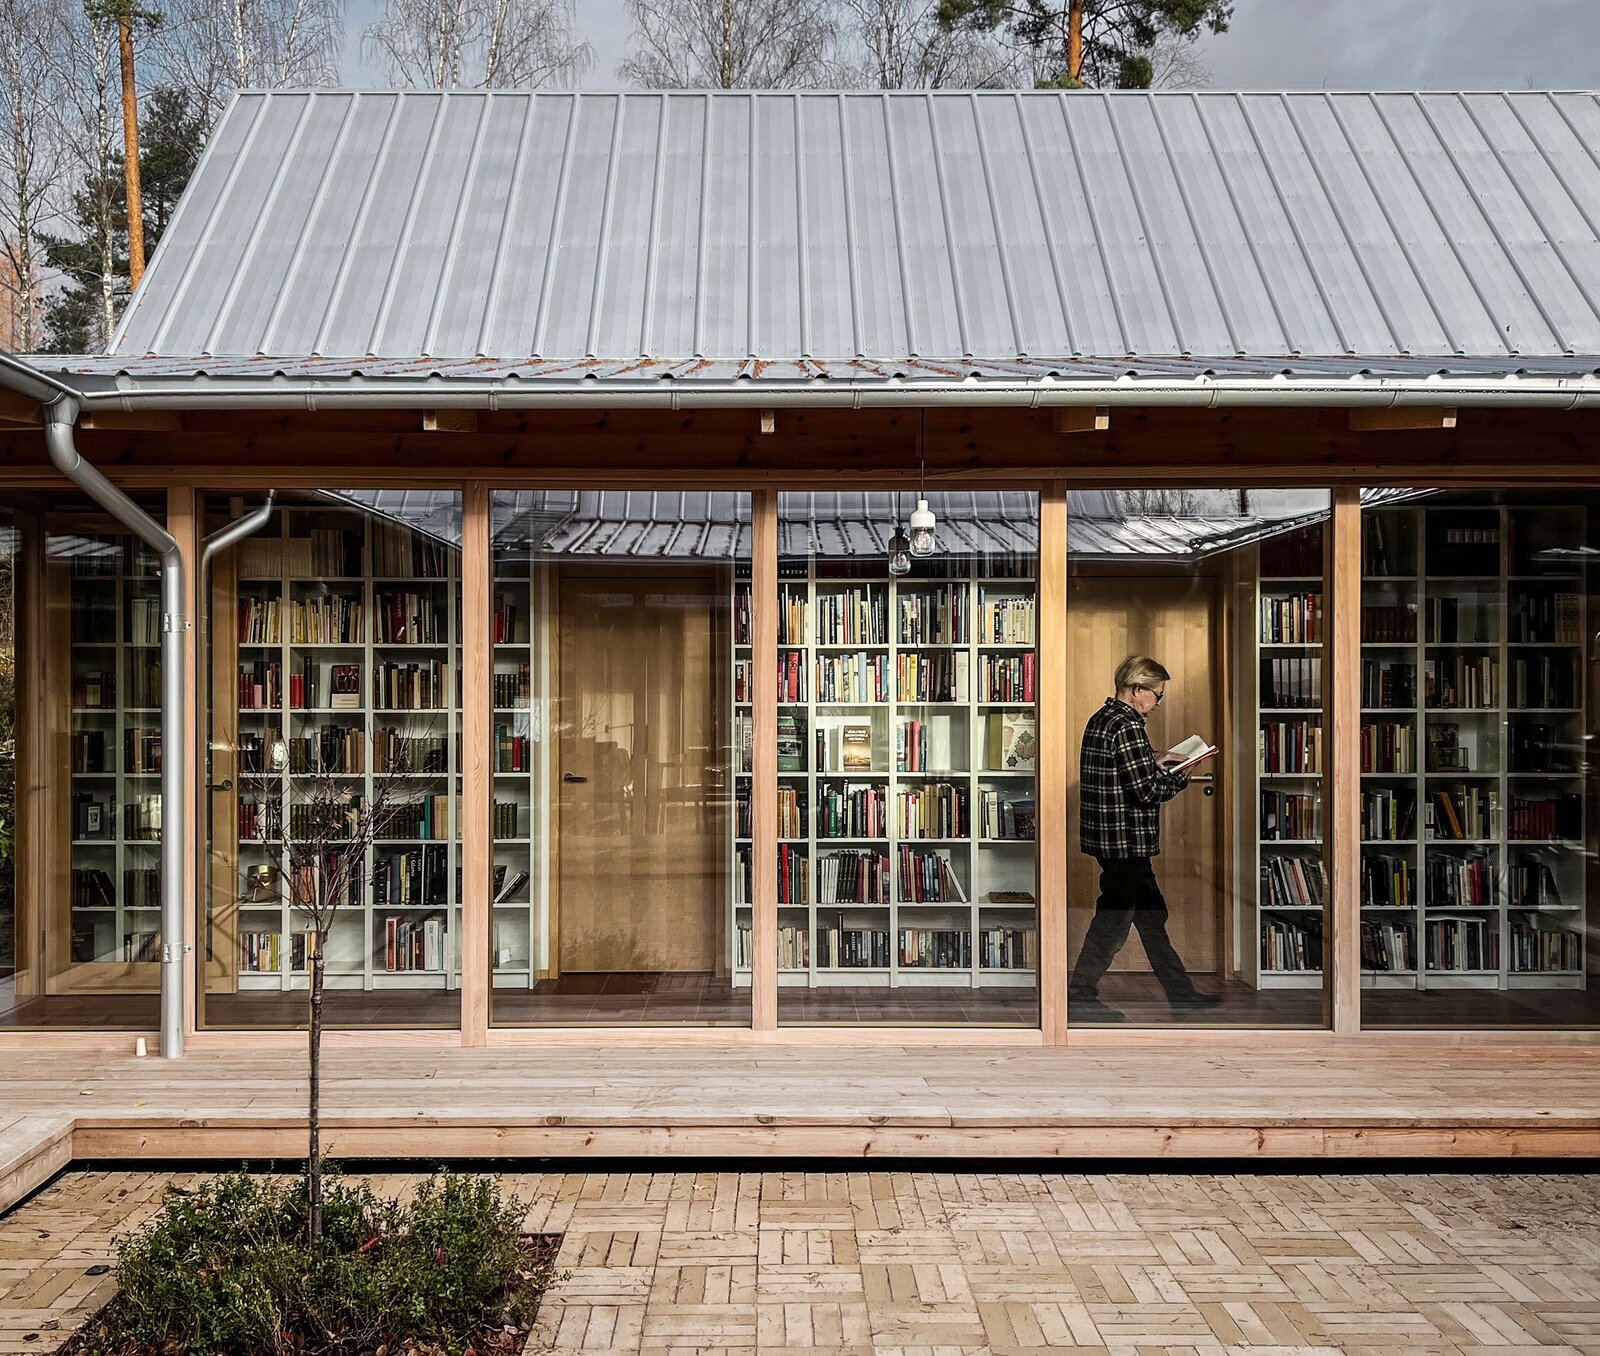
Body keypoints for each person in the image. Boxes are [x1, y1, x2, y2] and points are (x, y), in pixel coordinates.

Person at [1069, 655, 1222, 1022]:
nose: (1157, 702)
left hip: (1110, 840)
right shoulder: (1129, 725)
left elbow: (1122, 765)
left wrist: (1156, 756)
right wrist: (1182, 774)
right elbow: (1146, 790)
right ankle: (1079, 996)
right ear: (1137, 690)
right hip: (1126, 842)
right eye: (1156, 694)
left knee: (1151, 917)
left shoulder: (1103, 719)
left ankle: (1182, 995)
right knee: (1114, 919)